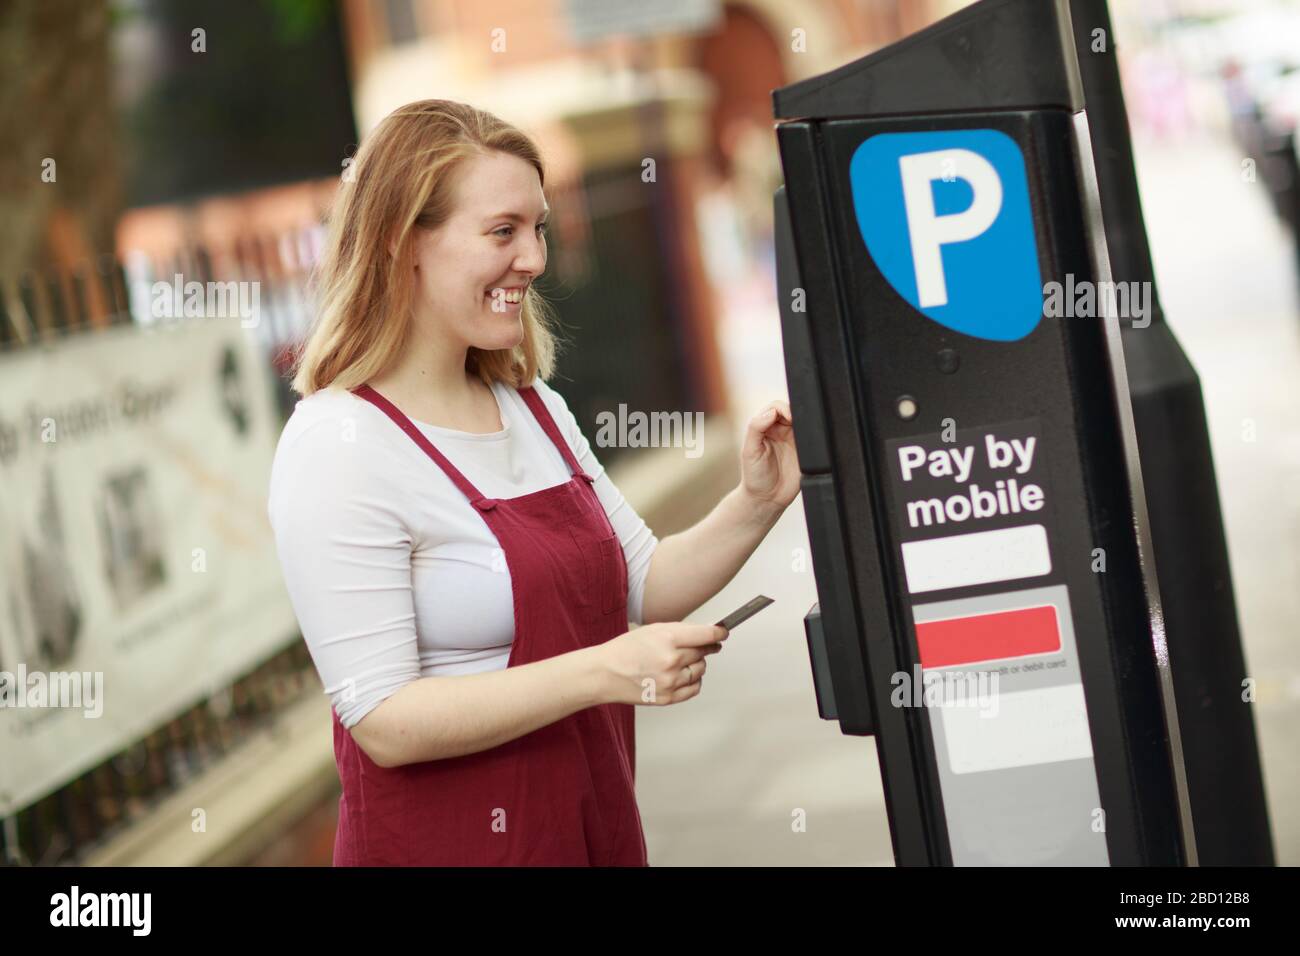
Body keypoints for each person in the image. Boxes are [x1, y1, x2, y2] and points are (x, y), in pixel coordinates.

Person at [267, 99, 800, 866]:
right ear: (401, 242)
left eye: (538, 228)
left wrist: (758, 499)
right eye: (502, 232)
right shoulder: (339, 442)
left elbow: (640, 582)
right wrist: (603, 671)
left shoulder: (533, 408)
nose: (535, 259)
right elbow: (382, 717)